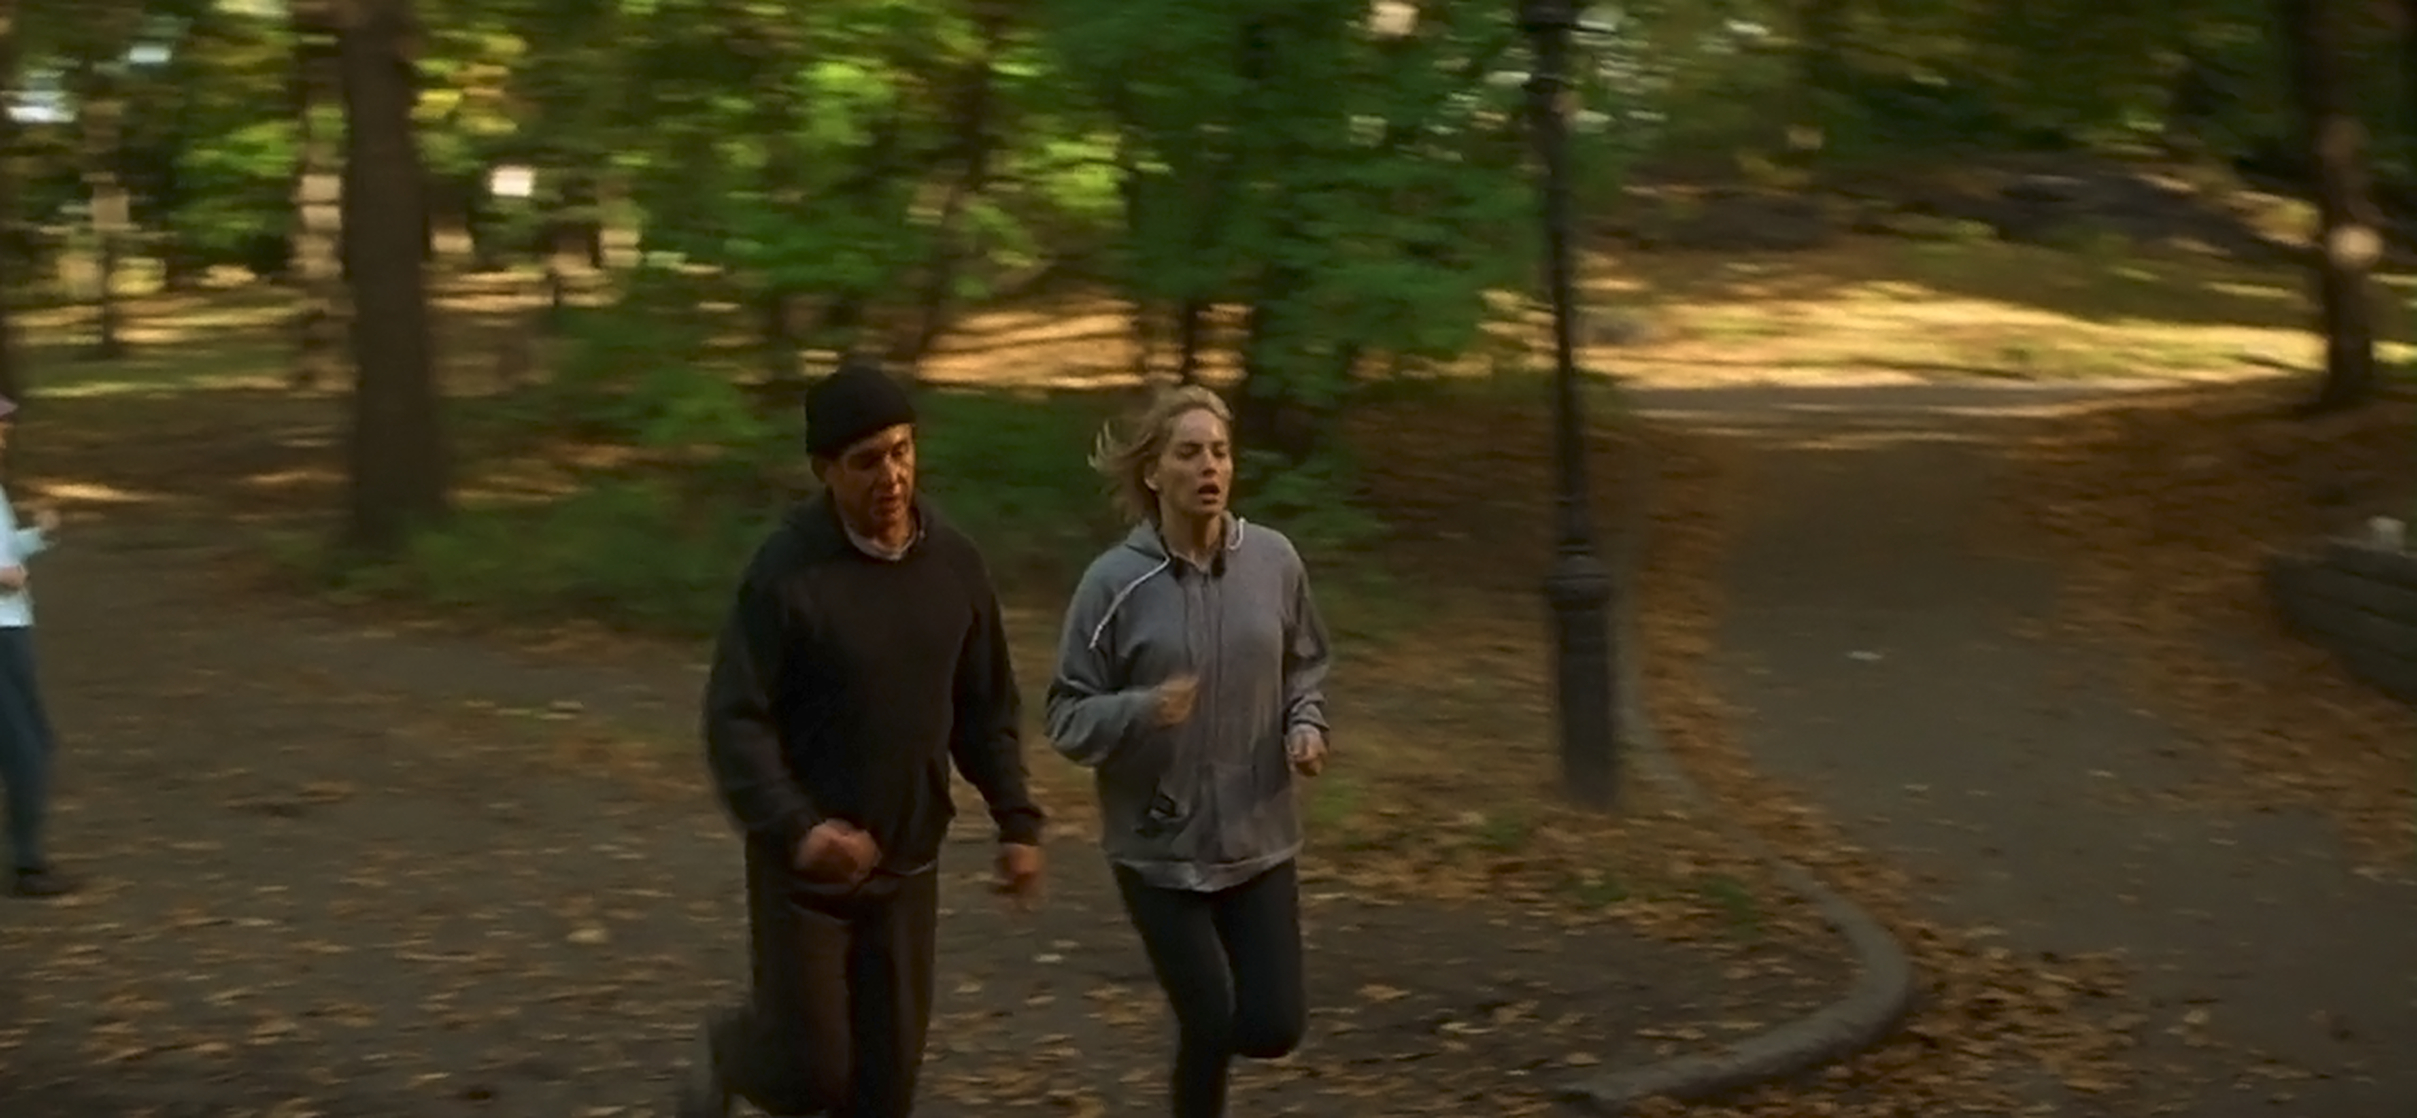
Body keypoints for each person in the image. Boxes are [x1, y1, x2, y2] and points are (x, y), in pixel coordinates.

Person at [679, 358, 1048, 1118]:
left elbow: (984, 706)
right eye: (867, 460)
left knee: (884, 1091)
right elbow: (733, 718)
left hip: (907, 862)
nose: (892, 475)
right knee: (812, 1074)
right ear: (824, 470)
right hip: (805, 873)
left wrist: (1016, 820)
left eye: (903, 450)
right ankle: (734, 1049)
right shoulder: (786, 575)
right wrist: (798, 827)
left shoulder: (955, 565)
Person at [1044, 385, 1333, 1118]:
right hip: (1157, 847)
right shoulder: (1113, 582)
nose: (1208, 466)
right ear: (1153, 474)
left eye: (1219, 451)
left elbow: (1306, 661)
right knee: (1207, 1021)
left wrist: (1305, 723)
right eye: (1188, 452)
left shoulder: (1273, 561)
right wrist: (1141, 709)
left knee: (1270, 1027)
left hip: (1257, 833)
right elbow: (1064, 714)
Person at [0, 396, 69, 899]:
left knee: (30, 744)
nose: (5, 435)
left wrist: (37, 536)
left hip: (13, 626)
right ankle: (29, 867)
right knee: (28, 748)